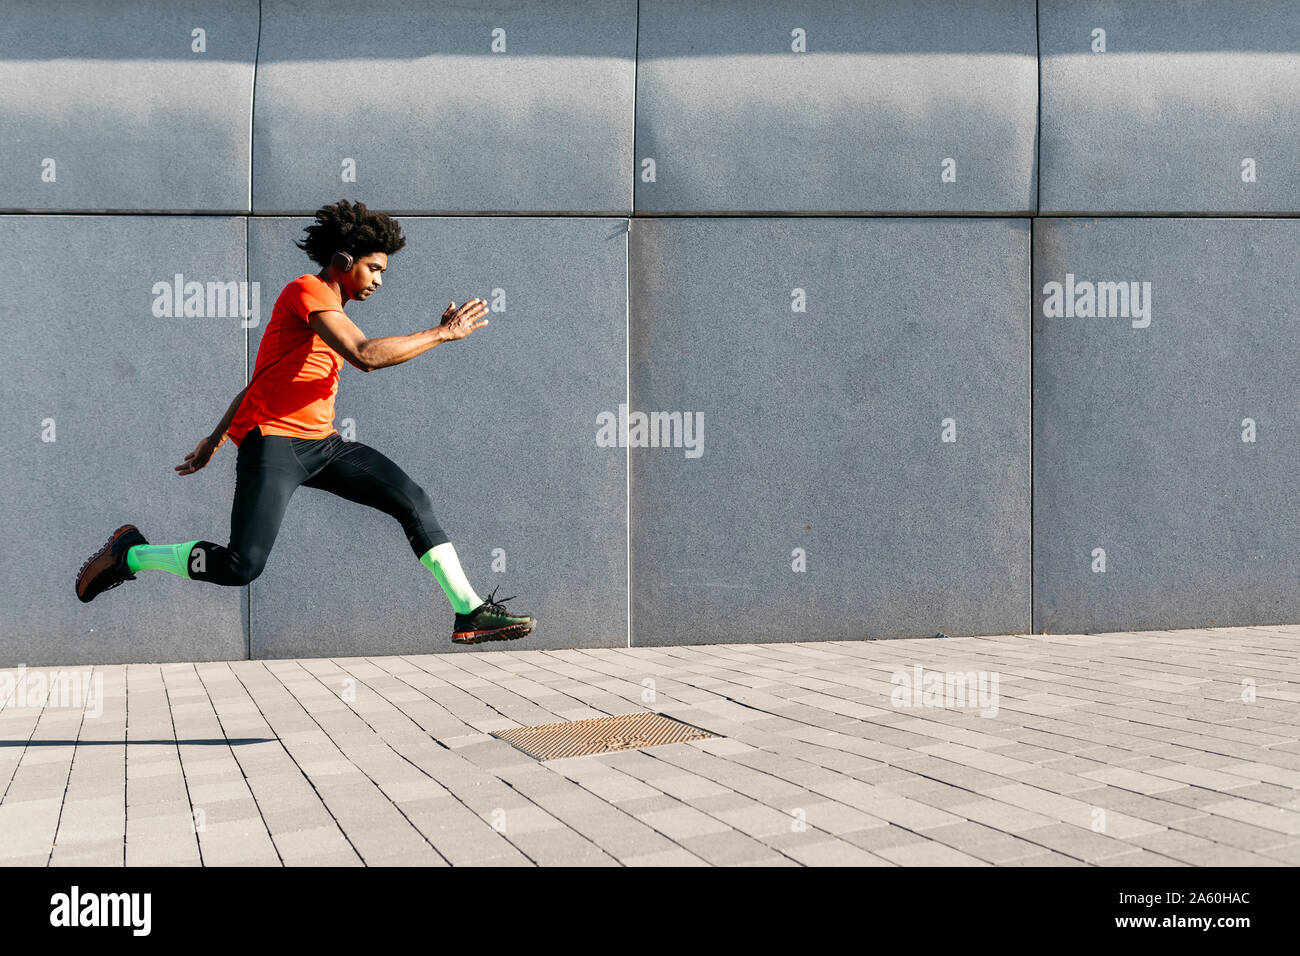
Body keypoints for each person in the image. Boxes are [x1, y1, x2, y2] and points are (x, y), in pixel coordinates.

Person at [76, 199, 535, 646]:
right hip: (274, 445)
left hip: (324, 445)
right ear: (342, 259)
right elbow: (366, 356)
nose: (379, 280)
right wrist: (441, 333)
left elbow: (259, 381)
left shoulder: (330, 309)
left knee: (412, 499)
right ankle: (131, 553)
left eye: (383, 273)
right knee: (241, 566)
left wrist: (213, 440)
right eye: (374, 268)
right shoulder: (306, 291)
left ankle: (470, 611)